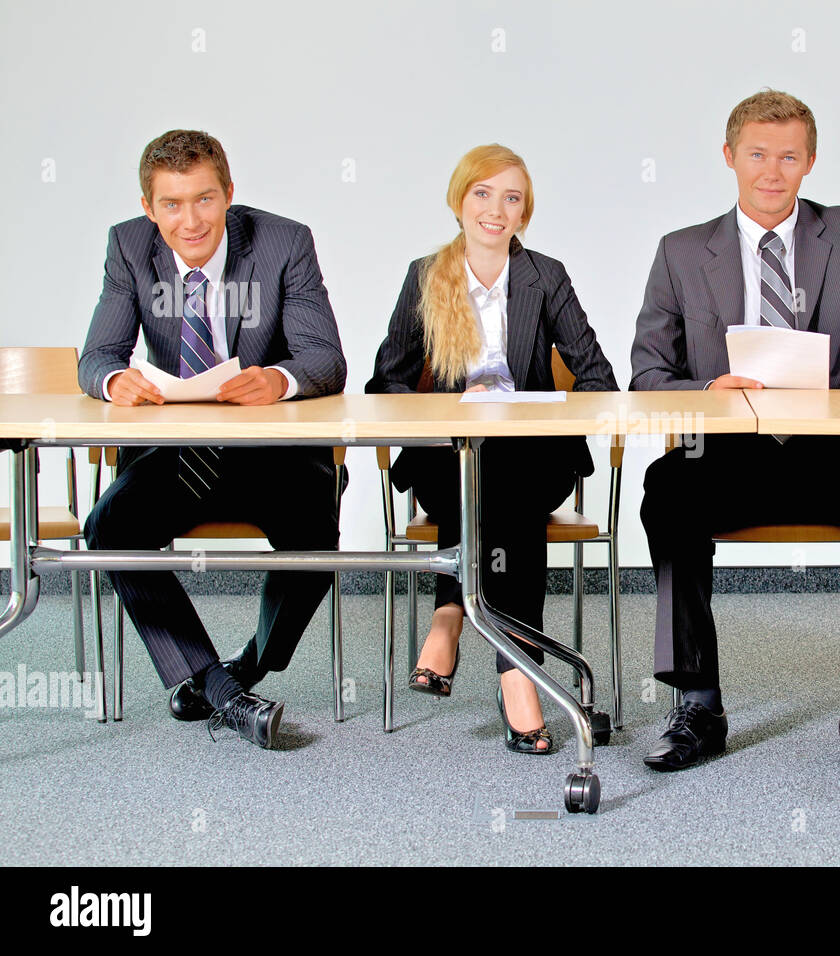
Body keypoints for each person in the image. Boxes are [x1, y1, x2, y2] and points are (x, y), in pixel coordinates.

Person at [630, 90, 840, 773]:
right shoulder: (682, 253)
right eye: (757, 155)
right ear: (729, 157)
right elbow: (648, 375)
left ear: (810, 162)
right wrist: (704, 390)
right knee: (666, 491)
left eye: (789, 157)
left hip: (835, 454)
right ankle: (698, 704)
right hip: (727, 454)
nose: (772, 172)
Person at [80, 129, 348, 749]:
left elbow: (325, 358)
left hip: (270, 456)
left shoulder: (284, 242)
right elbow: (97, 354)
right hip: (177, 457)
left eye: (204, 200)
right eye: (172, 204)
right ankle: (224, 694)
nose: (191, 220)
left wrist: (278, 380)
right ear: (150, 209)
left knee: (317, 533)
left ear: (228, 193)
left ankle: (240, 671)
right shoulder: (128, 247)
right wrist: (115, 379)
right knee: (110, 529)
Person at [366, 144, 618, 754]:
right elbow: (386, 382)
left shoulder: (544, 276)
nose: (496, 209)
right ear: (458, 201)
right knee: (487, 487)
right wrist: (445, 412)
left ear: (524, 211)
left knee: (503, 484)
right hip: (448, 452)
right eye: (483, 193)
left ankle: (451, 610)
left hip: (531, 454)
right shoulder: (426, 276)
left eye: (512, 197)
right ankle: (519, 680)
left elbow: (597, 379)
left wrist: (541, 412)